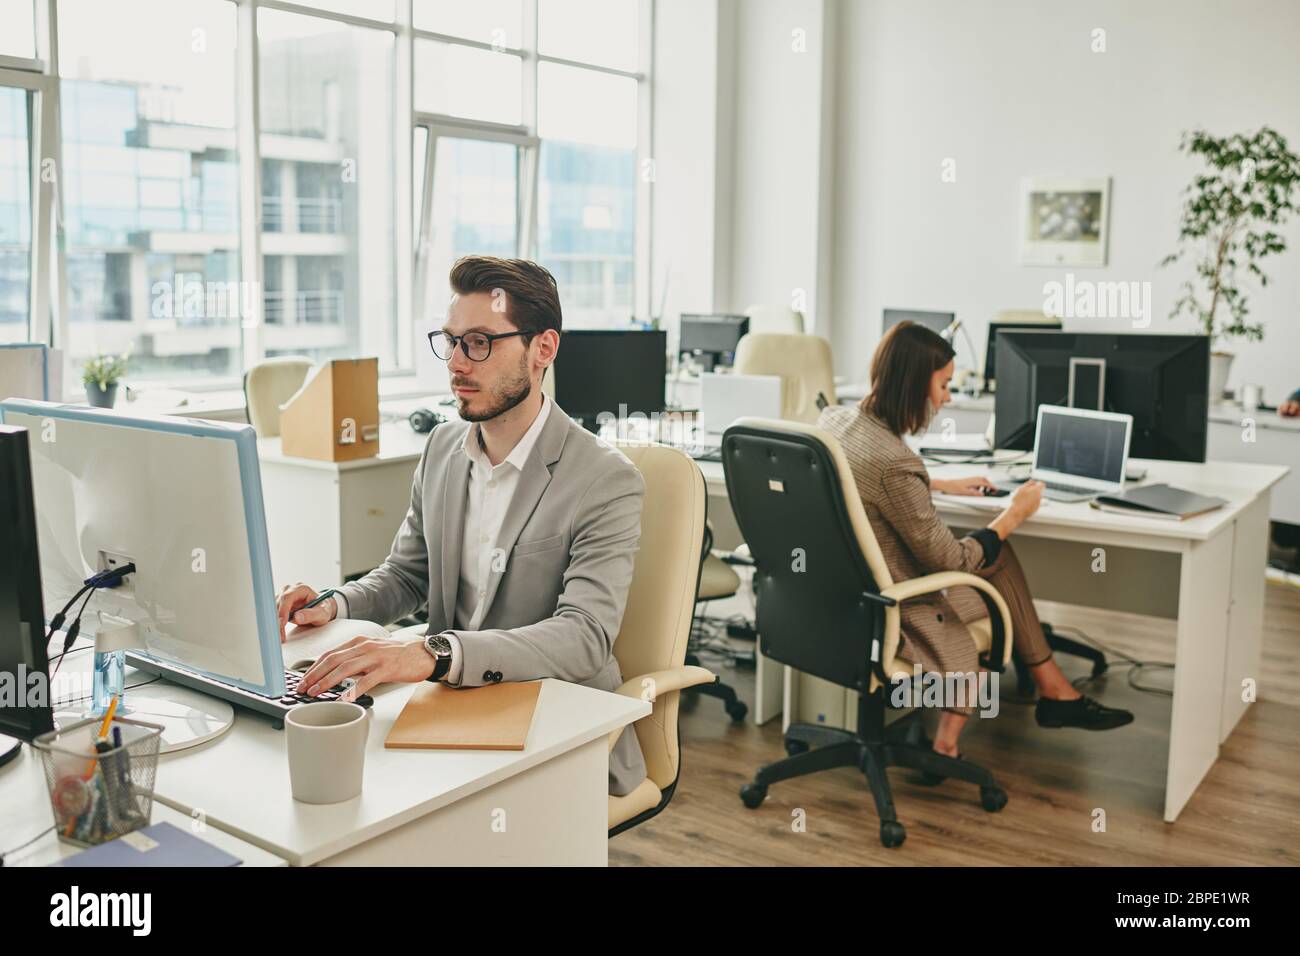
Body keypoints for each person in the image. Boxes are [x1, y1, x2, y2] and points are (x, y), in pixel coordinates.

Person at [274, 256, 648, 796]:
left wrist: (434, 653)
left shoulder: (604, 479)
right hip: (451, 707)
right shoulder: (444, 448)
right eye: (450, 341)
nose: (455, 364)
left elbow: (584, 638)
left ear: (543, 349)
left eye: (479, 342)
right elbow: (406, 577)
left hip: (553, 722)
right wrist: (333, 605)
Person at [818, 321, 1133, 760]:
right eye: (944, 385)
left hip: (838, 598)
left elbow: (864, 481)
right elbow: (951, 561)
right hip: (894, 605)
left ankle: (1049, 693)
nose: (948, 397)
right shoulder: (895, 462)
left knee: (995, 562)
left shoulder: (836, 420)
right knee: (995, 560)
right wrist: (1012, 515)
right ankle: (968, 734)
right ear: (913, 385)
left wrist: (937, 484)